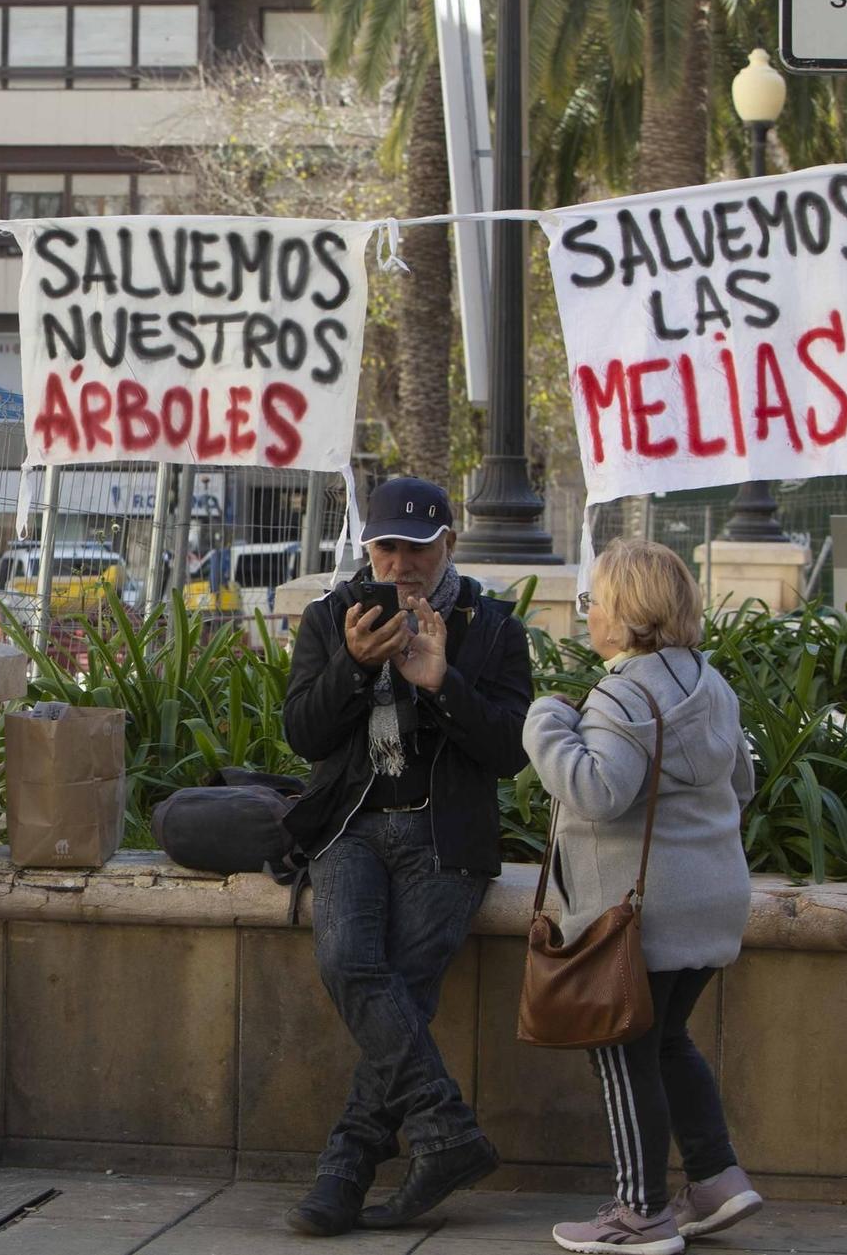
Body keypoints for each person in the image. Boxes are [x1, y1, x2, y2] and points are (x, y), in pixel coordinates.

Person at [280, 476, 533, 1237]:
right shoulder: (330, 618)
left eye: (418, 548)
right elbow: (303, 733)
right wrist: (355, 666)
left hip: (444, 835)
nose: (401, 564)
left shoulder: (492, 627)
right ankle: (443, 1127)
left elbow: (510, 750)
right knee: (348, 961)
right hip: (350, 825)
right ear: (369, 548)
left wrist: (443, 681)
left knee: (407, 988)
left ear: (448, 544)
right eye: (387, 547)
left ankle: (346, 1168)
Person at [523, 539, 759, 1255]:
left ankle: (640, 1214)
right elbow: (742, 783)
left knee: (622, 1052)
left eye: (594, 600)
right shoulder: (709, 683)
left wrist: (544, 723)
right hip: (711, 903)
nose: (588, 613)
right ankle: (715, 1178)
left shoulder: (622, 693)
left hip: (637, 917)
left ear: (625, 613)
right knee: (667, 1041)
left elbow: (597, 790)